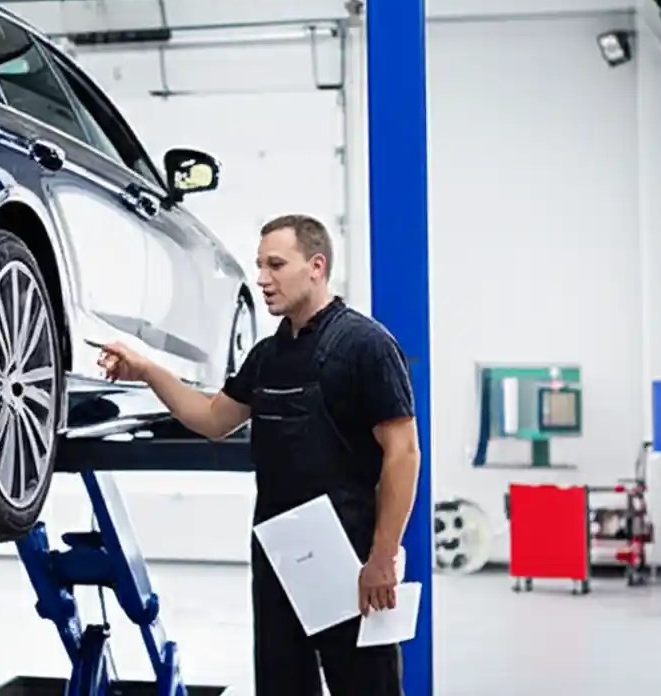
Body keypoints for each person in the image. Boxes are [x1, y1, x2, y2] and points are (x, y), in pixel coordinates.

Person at [97, 214, 420, 696]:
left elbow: (403, 453)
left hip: (350, 560)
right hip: (279, 555)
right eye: (259, 266)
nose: (263, 279)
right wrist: (146, 370)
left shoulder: (366, 346)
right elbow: (212, 418)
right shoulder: (268, 355)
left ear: (316, 266)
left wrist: (382, 557)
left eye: (276, 265)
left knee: (365, 687)